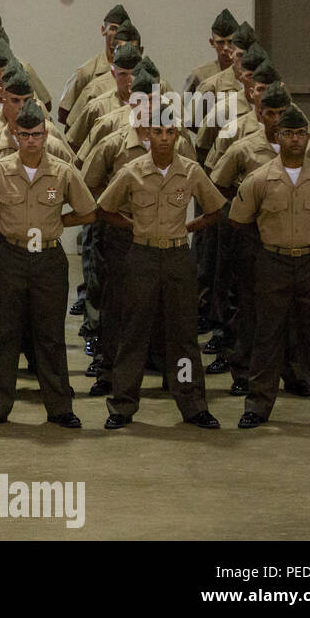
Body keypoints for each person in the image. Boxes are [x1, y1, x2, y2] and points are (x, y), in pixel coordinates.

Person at [0, 99, 96, 429]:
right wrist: (2, 220)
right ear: (14, 134)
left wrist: (59, 223)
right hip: (11, 256)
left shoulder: (62, 171)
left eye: (36, 134)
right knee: (3, 332)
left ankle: (59, 407)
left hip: (48, 258)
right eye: (24, 135)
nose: (31, 141)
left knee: (50, 335)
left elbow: (89, 210)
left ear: (46, 133)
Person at [228, 106, 310, 429]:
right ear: (277, 136)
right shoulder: (261, 179)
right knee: (267, 334)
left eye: (301, 133)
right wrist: (270, 237)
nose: (295, 139)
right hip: (273, 261)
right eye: (288, 133)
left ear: (308, 137)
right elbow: (240, 219)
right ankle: (257, 406)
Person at [95, 115, 226, 430]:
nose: (164, 138)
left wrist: (189, 227)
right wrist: (133, 227)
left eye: (170, 132)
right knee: (134, 332)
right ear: (147, 135)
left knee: (183, 336)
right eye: (158, 132)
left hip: (178, 255)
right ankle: (123, 405)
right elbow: (105, 208)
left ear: (178, 136)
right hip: (142, 255)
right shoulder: (132, 172)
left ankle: (193, 404)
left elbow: (215, 209)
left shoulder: (191, 171)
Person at [58, 4, 129, 126]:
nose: (117, 35)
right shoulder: (87, 72)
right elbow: (64, 114)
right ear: (103, 30)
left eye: (122, 30)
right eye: (113, 28)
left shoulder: (136, 73)